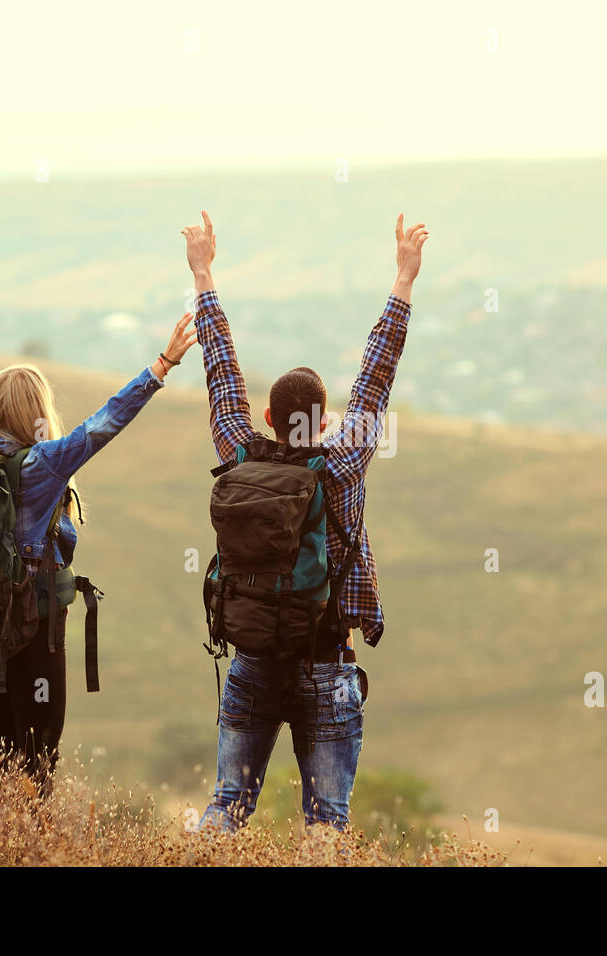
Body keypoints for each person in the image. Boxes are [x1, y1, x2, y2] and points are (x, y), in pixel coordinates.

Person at [183, 210, 428, 830]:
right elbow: (376, 376)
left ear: (268, 417)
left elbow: (221, 375)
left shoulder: (238, 452)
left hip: (255, 659)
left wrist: (204, 273)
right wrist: (403, 280)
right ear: (323, 420)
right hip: (327, 663)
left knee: (226, 807)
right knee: (326, 824)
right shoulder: (343, 463)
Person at [0, 297, 198, 795]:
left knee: (1, 747)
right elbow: (105, 422)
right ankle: (26, 848)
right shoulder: (46, 464)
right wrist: (162, 365)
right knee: (38, 756)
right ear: (38, 414)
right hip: (33, 628)